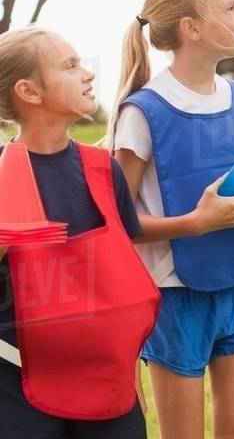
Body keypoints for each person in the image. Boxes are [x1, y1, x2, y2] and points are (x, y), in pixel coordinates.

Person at [106, 0, 234, 439]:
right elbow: (117, 219)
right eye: (232, 6)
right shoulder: (143, 112)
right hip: (177, 298)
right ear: (191, 27)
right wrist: (195, 223)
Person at [0, 27, 158, 438]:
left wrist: (131, 381)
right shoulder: (2, 175)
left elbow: (121, 287)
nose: (87, 74)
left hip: (106, 382)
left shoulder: (103, 171)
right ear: (29, 92)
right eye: (70, 66)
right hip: (16, 380)